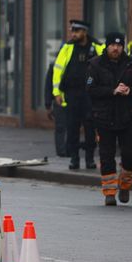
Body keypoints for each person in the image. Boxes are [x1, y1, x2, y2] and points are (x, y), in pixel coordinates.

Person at [86, 33, 132, 205]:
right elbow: (90, 89)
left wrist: (129, 91)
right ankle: (110, 192)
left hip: (128, 116)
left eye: (119, 45)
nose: (116, 48)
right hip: (104, 117)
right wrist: (112, 90)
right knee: (106, 156)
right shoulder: (95, 64)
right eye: (112, 45)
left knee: (130, 154)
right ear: (107, 46)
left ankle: (124, 185)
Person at [52, 19, 105, 170]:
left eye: (76, 31)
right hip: (72, 94)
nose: (73, 34)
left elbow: (106, 68)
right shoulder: (67, 47)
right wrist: (57, 92)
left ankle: (89, 159)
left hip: (90, 95)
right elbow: (57, 70)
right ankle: (74, 158)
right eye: (72, 31)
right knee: (72, 127)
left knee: (90, 128)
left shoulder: (97, 47)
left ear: (84, 32)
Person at [44, 61, 67, 157]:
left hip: (73, 101)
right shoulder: (54, 65)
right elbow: (49, 86)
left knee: (69, 128)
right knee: (60, 127)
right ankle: (61, 151)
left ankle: (66, 150)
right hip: (59, 102)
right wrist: (48, 105)